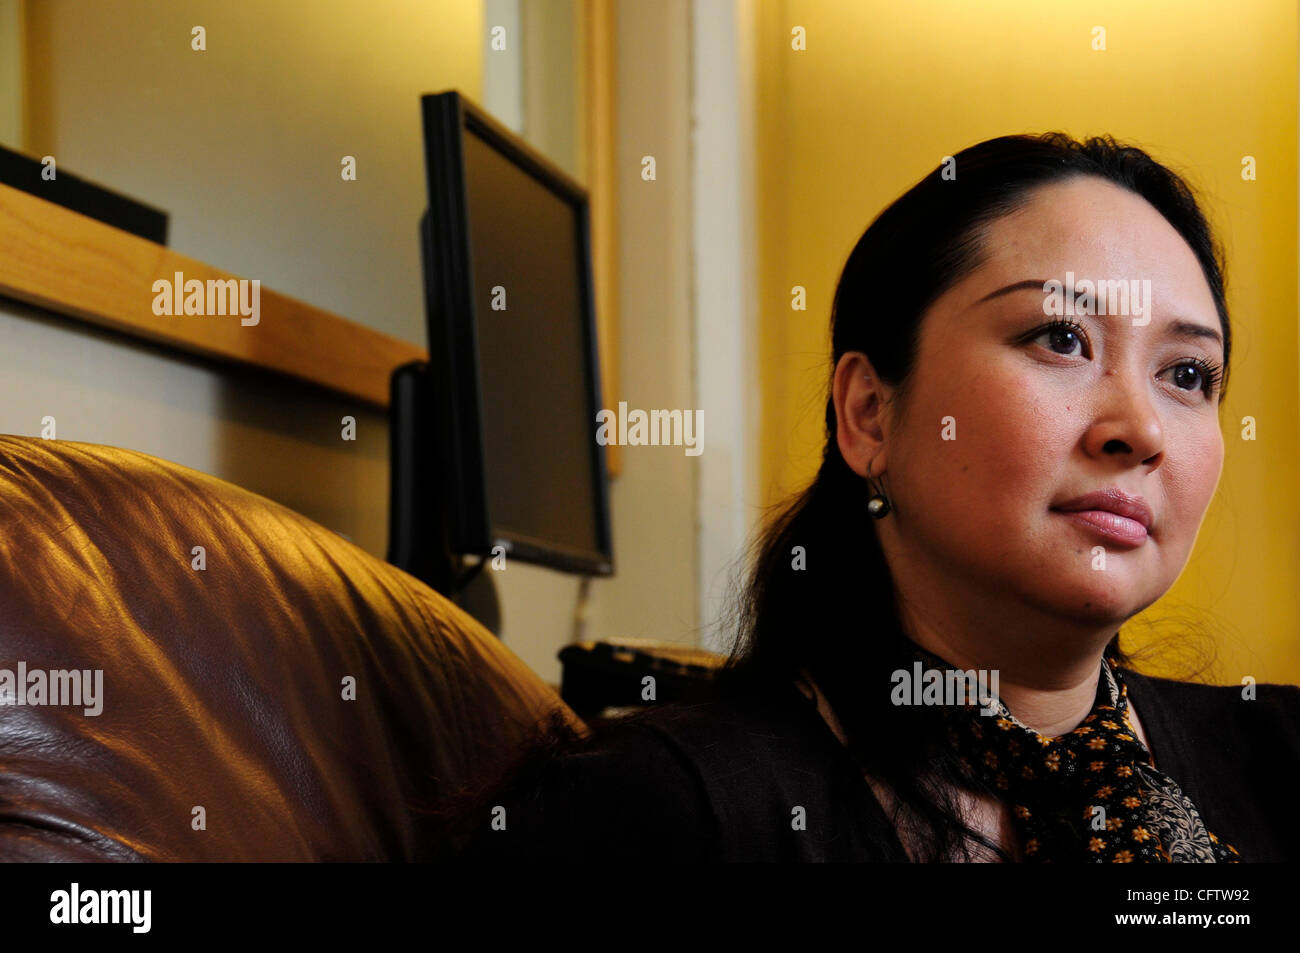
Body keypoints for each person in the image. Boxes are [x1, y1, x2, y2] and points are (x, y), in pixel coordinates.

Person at [455, 132, 1300, 863]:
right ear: (868, 413)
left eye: (1187, 375)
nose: (1140, 429)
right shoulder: (660, 813)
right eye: (1060, 337)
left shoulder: (1283, 754)